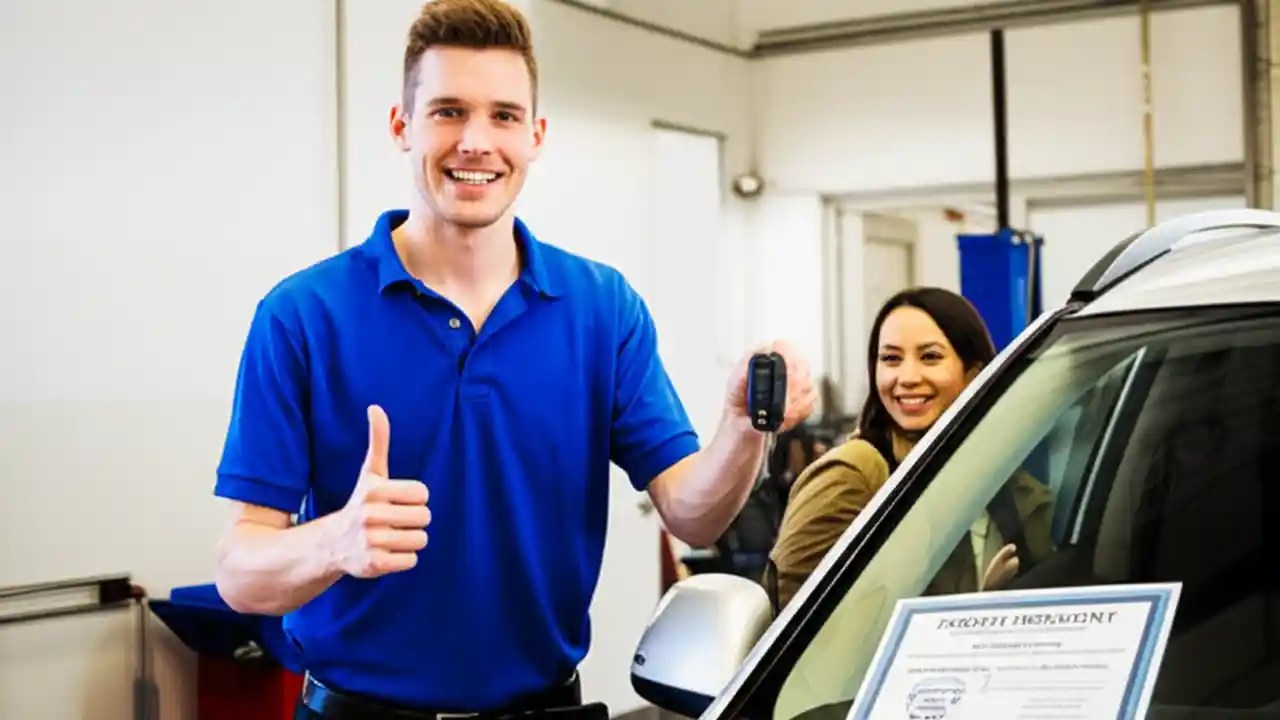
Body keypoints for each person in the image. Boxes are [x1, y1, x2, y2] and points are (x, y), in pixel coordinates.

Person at [209, 1, 817, 717]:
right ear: (402, 127)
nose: (476, 141)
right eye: (447, 112)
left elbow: (694, 514)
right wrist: (333, 543)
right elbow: (241, 571)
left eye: (503, 116)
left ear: (535, 135)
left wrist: (743, 427)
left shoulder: (601, 309)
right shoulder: (303, 316)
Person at [762, 287, 1052, 611]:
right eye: (890, 359)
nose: (907, 377)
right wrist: (973, 616)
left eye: (930, 357)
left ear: (974, 374)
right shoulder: (850, 477)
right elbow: (802, 631)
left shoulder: (1008, 487)